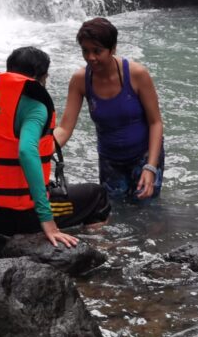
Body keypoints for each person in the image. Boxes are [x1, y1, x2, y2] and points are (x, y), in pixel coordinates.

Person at [0, 46, 111, 248]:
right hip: (19, 216)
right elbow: (26, 151)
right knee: (97, 195)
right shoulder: (35, 106)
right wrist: (47, 221)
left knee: (52, 185)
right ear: (39, 77)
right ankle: (99, 251)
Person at [53, 17, 164, 204]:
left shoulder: (137, 74)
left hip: (144, 156)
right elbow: (64, 128)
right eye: (85, 51)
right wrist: (38, 151)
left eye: (97, 51)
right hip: (110, 161)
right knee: (113, 211)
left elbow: (156, 123)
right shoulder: (80, 80)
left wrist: (151, 167)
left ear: (112, 49)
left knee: (147, 210)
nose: (90, 58)